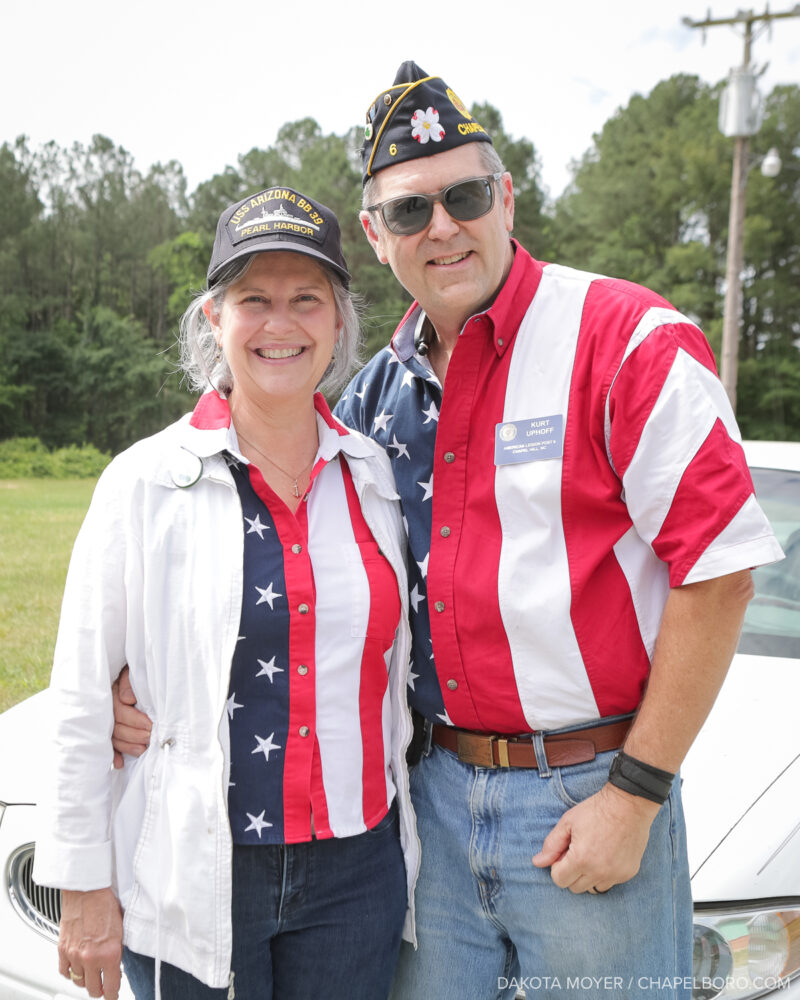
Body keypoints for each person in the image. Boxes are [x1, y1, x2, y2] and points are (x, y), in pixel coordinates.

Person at [111, 63, 783, 999]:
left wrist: (636, 794)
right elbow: (302, 575)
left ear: (506, 198)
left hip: (588, 789)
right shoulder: (374, 396)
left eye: (464, 195)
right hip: (422, 798)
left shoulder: (625, 338)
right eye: (408, 212)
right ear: (379, 240)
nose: (443, 227)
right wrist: (138, 688)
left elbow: (720, 576)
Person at [34, 186, 419, 1000]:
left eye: (306, 299)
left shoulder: (373, 477)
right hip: (200, 866)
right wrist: (82, 887)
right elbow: (78, 698)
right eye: (254, 300)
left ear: (340, 321)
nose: (280, 323)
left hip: (357, 871)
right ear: (215, 319)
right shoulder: (144, 482)